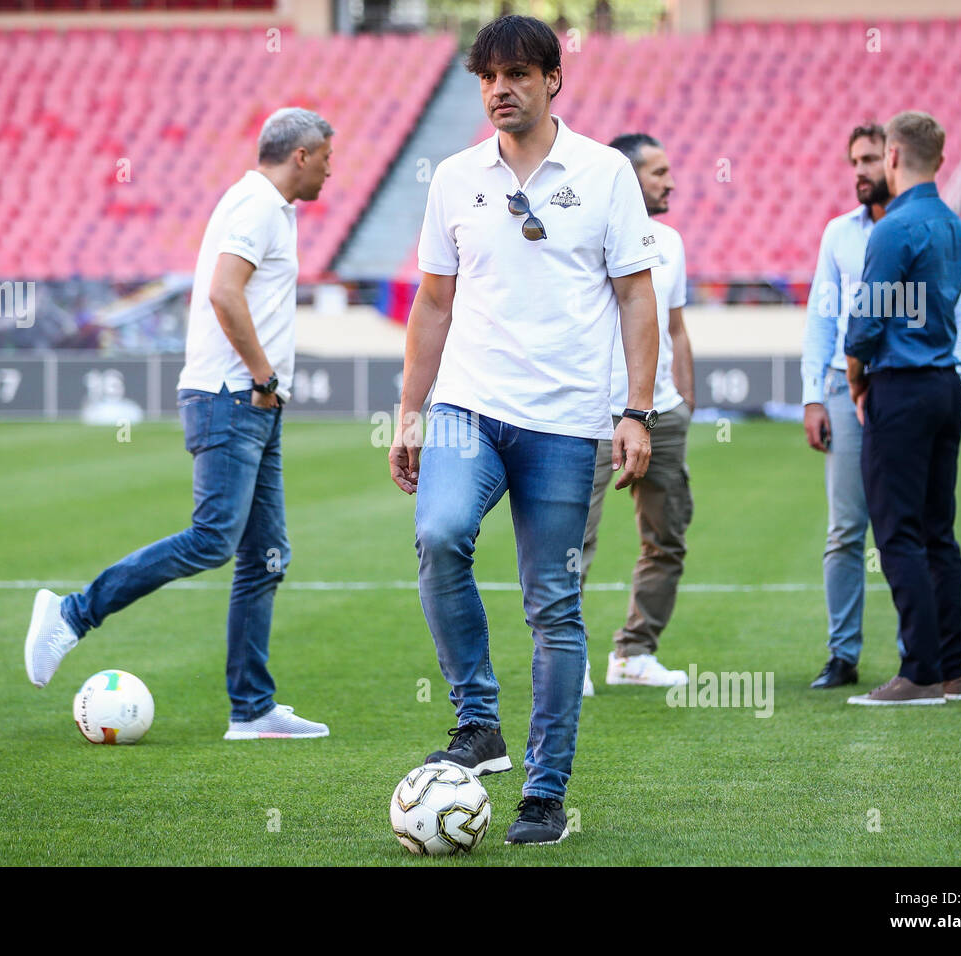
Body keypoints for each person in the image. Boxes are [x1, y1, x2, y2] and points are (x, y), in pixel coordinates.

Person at [389, 14, 662, 845]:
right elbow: (433, 301)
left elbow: (636, 296)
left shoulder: (607, 172)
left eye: (515, 74)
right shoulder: (454, 178)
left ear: (553, 81)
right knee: (439, 535)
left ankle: (545, 794)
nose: (499, 89)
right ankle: (479, 720)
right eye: (487, 77)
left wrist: (635, 410)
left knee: (554, 605)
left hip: (565, 421)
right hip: (467, 405)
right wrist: (410, 410)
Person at [24, 107, 335, 739]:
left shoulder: (273, 209)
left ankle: (251, 710)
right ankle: (72, 613)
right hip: (233, 396)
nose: (332, 169)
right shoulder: (255, 204)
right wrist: (263, 376)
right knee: (214, 539)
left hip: (252, 401)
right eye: (327, 156)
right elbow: (226, 292)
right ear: (300, 155)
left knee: (265, 556)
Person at [802, 122, 961, 691]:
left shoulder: (893, 229)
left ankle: (919, 671)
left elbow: (863, 325)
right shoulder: (954, 227)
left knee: (897, 533)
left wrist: (855, 381)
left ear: (895, 156)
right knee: (938, 534)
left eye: (872, 158)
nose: (862, 169)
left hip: (895, 387)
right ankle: (952, 671)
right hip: (941, 385)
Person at [579, 133, 693, 695]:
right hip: (596, 415)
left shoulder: (670, 241)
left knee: (666, 538)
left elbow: (674, 327)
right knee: (573, 541)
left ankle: (634, 653)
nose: (669, 181)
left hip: (662, 413)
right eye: (658, 172)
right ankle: (565, 658)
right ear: (628, 176)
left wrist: (685, 402)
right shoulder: (590, 233)